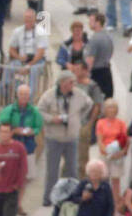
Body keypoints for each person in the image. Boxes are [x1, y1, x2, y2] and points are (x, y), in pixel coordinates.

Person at [38, 71, 93, 206]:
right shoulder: (49, 95)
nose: (73, 85)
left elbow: (89, 104)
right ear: (62, 83)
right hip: (54, 138)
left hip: (72, 138)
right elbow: (39, 111)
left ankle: (73, 197)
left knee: (72, 169)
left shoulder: (78, 94)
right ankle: (48, 198)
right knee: (52, 170)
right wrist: (52, 119)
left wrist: (78, 119)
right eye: (70, 82)